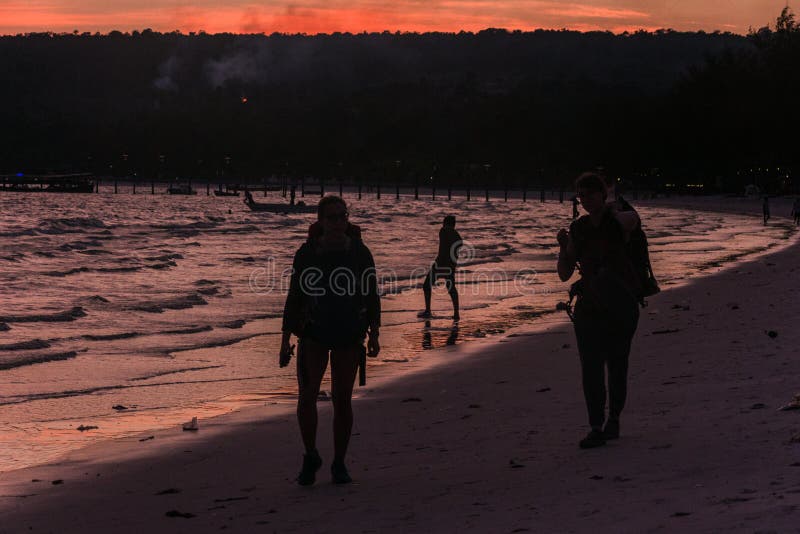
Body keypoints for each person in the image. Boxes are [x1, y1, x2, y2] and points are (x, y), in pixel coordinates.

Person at [280, 195, 381, 485]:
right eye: (332, 217)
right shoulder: (307, 253)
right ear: (321, 221)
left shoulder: (360, 252)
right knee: (306, 397)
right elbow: (294, 297)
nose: (338, 222)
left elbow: (372, 295)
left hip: (349, 333)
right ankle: (311, 455)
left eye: (342, 216)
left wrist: (375, 333)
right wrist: (285, 339)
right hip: (314, 332)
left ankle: (339, 462)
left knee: (342, 399)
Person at [557, 172, 641, 449]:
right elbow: (564, 273)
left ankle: (613, 420)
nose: (584, 200)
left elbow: (632, 221)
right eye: (580, 195)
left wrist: (612, 211)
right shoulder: (578, 228)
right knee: (591, 367)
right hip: (589, 304)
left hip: (620, 303)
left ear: (602, 194)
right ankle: (595, 425)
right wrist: (563, 248)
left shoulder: (619, 219)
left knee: (617, 364)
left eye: (590, 194)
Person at [419, 215, 462, 321]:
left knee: (426, 285)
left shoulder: (443, 230)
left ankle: (428, 310)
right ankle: (456, 313)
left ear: (446, 223)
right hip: (451, 264)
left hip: (441, 263)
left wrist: (439, 262)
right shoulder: (457, 235)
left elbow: (443, 248)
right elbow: (457, 247)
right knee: (451, 288)